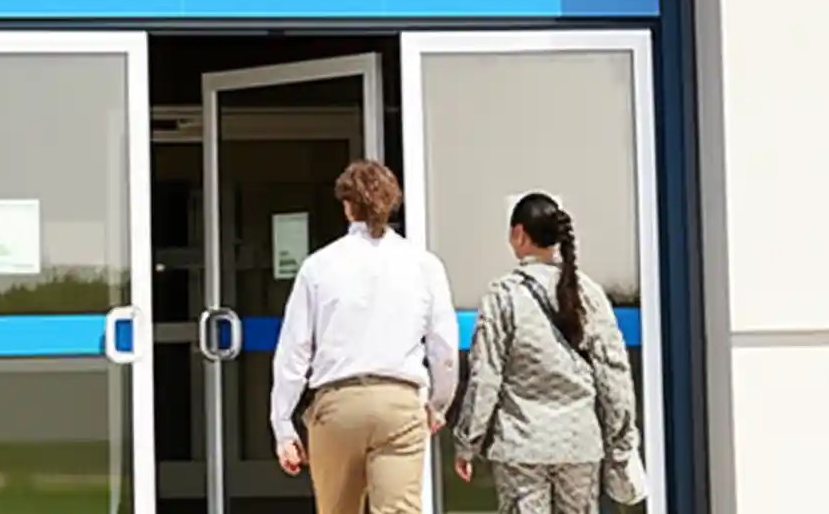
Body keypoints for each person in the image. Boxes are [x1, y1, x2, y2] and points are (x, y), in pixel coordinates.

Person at [270, 160, 460, 514]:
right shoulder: (423, 265)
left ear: (347, 206)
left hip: (338, 404)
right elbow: (444, 347)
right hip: (399, 402)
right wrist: (437, 404)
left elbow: (295, 350)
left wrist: (282, 424)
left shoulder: (319, 266)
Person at [452, 192, 640, 514]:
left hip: (521, 445)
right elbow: (614, 376)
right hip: (579, 443)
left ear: (518, 234)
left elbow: (486, 377)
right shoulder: (589, 293)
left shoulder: (503, 296)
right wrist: (621, 443)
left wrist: (467, 442)